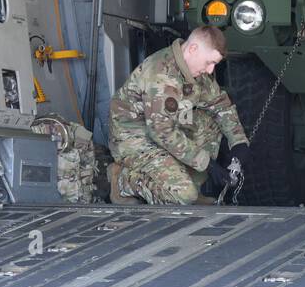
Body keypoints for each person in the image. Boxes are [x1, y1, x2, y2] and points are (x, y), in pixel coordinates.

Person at [107, 27, 250, 205]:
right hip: (136, 139)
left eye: (215, 64)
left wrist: (238, 142)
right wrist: (208, 164)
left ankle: (188, 186)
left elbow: (220, 105)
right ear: (192, 49)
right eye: (209, 62)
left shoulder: (194, 70)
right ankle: (122, 181)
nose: (210, 69)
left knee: (210, 122)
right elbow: (162, 133)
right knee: (183, 196)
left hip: (166, 129)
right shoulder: (161, 76)